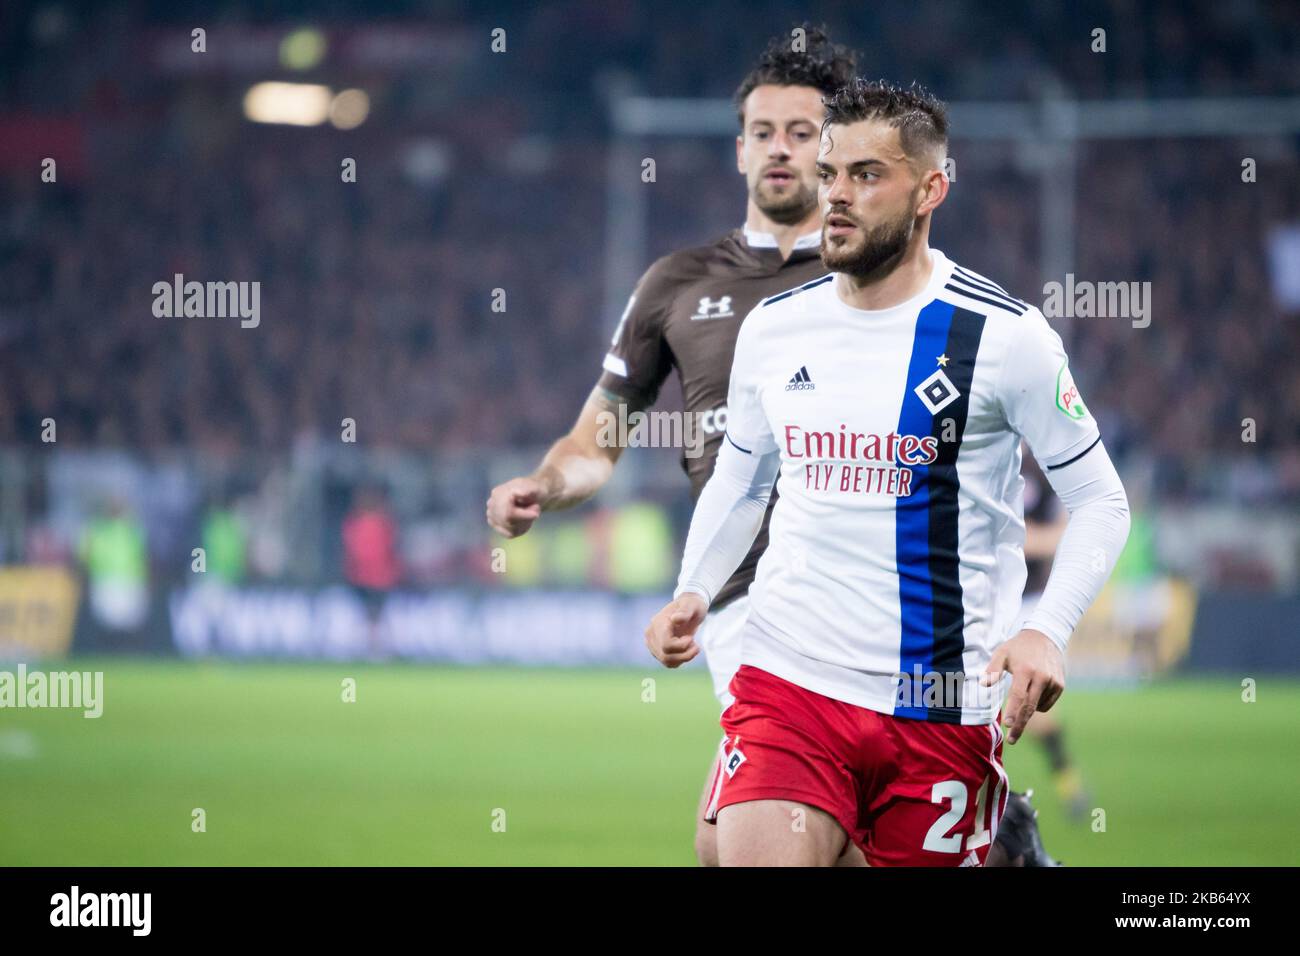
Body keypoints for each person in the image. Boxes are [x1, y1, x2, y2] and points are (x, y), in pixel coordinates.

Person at [645, 78, 1130, 866]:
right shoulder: (774, 329)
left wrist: (1047, 630)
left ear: (931, 188)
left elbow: (1101, 501)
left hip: (939, 700)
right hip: (790, 681)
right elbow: (741, 478)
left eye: (867, 176)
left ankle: (1009, 847)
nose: (837, 195)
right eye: (831, 172)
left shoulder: (1007, 340)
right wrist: (693, 589)